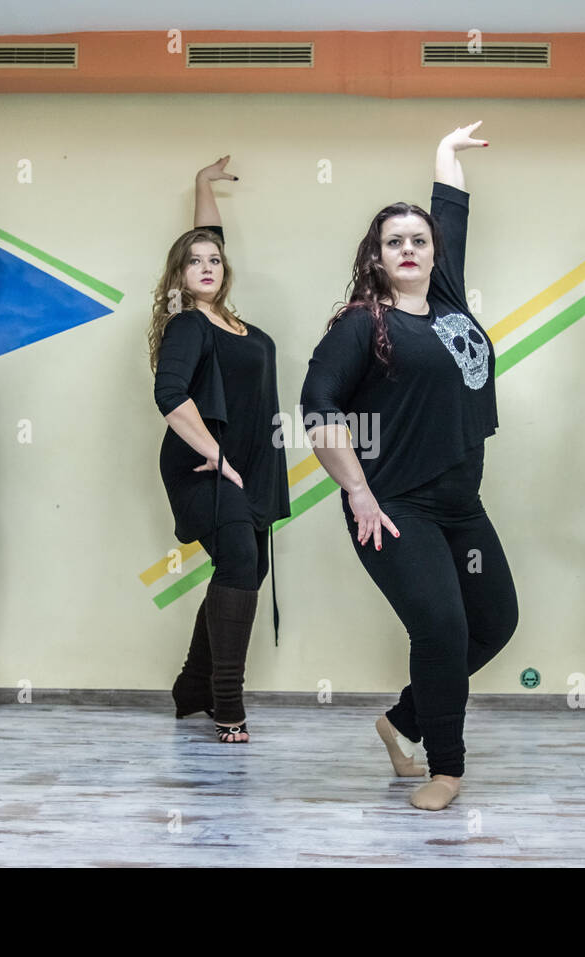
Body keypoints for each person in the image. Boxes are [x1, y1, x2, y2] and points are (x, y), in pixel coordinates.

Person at [300, 123, 518, 811]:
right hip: (396, 505)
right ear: (376, 256)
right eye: (394, 240)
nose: (409, 248)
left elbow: (449, 211)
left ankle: (402, 721)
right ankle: (445, 768)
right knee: (444, 630)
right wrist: (359, 494)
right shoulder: (363, 323)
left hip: (461, 501)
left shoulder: (448, 302)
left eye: (418, 240)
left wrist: (445, 156)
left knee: (494, 623)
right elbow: (317, 408)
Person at [149, 156, 291, 744]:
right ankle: (226, 704)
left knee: (248, 566)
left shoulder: (233, 322)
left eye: (214, 260)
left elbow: (210, 240)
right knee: (238, 563)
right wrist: (215, 452)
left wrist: (204, 186)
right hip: (203, 465)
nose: (206, 265)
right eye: (194, 261)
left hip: (247, 465)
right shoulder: (189, 325)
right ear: (179, 274)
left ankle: (193, 685)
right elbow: (169, 393)